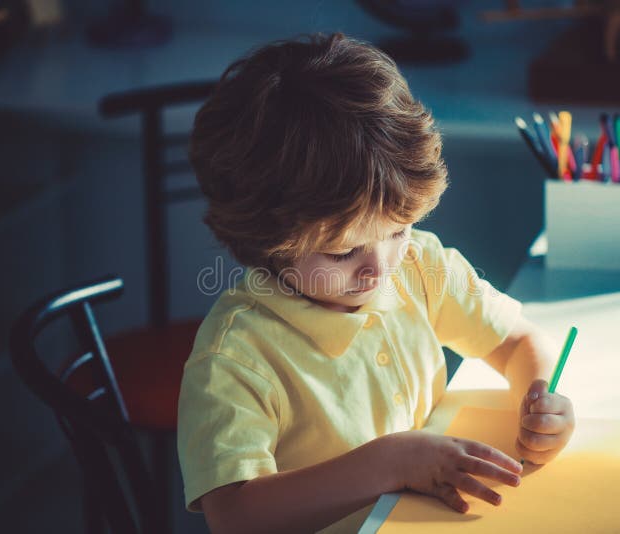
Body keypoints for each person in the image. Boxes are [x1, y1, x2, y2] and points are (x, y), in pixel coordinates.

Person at [179, 32, 575, 533]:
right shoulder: (233, 359)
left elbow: (517, 341)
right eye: (343, 252)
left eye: (398, 230)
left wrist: (541, 401)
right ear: (267, 240)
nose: (379, 267)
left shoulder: (420, 265)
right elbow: (234, 516)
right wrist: (389, 464)